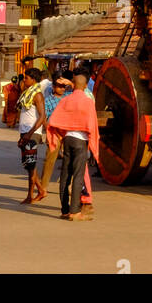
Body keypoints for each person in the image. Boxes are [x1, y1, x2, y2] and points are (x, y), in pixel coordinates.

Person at [46, 73, 99, 220]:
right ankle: (75, 211)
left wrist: (59, 135)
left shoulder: (65, 100)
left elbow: (54, 119)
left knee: (65, 175)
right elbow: (92, 124)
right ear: (85, 86)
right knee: (78, 176)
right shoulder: (88, 102)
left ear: (73, 85)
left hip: (67, 139)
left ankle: (65, 210)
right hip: (80, 141)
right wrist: (93, 142)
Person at [16, 69, 46, 205]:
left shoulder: (37, 95)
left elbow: (42, 116)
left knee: (31, 164)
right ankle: (39, 191)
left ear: (33, 80)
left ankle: (32, 194)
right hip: (25, 132)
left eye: (26, 78)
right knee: (28, 165)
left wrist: (29, 134)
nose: (24, 80)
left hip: (32, 133)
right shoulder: (27, 94)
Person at [39, 75, 73, 192]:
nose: (62, 88)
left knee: (70, 160)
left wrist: (70, 83)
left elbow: (79, 91)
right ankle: (43, 186)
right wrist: (48, 129)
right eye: (59, 86)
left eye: (64, 86)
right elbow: (44, 117)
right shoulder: (48, 100)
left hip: (68, 132)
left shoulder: (69, 97)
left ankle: (68, 186)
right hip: (55, 133)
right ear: (53, 87)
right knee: (50, 160)